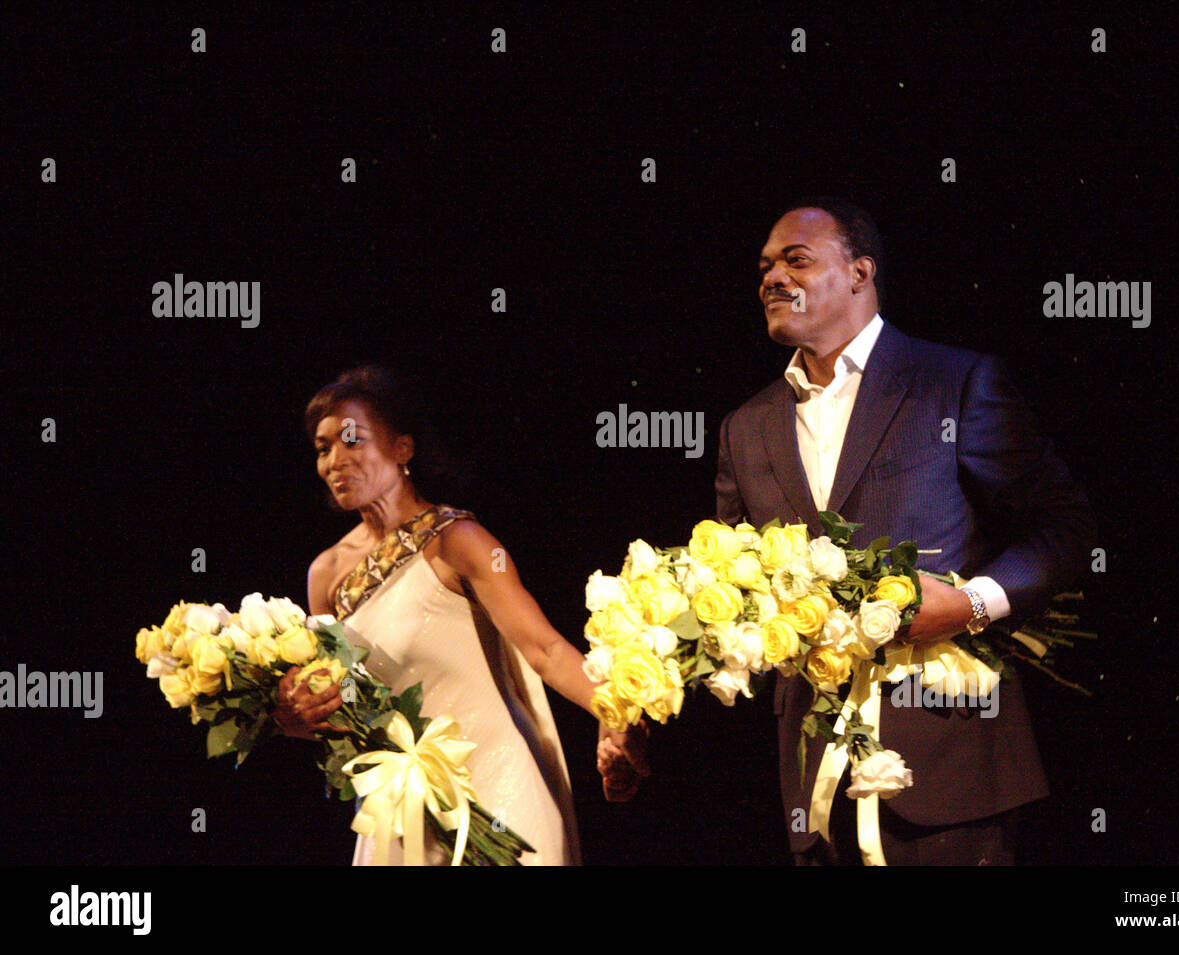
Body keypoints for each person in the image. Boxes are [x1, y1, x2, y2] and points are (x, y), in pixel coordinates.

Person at [599, 198, 1096, 865]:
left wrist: (972, 603)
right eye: (764, 267)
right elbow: (714, 597)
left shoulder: (953, 382)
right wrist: (630, 709)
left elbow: (1065, 528)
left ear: (860, 272)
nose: (772, 277)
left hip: (950, 767)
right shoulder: (746, 427)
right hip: (814, 779)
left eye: (796, 259)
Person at [274, 365, 643, 864]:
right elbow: (338, 712)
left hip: (499, 795)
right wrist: (290, 716)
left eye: (352, 441)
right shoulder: (326, 575)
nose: (335, 460)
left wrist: (617, 709)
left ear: (402, 449)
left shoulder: (458, 541)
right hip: (400, 816)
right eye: (322, 448)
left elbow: (547, 650)